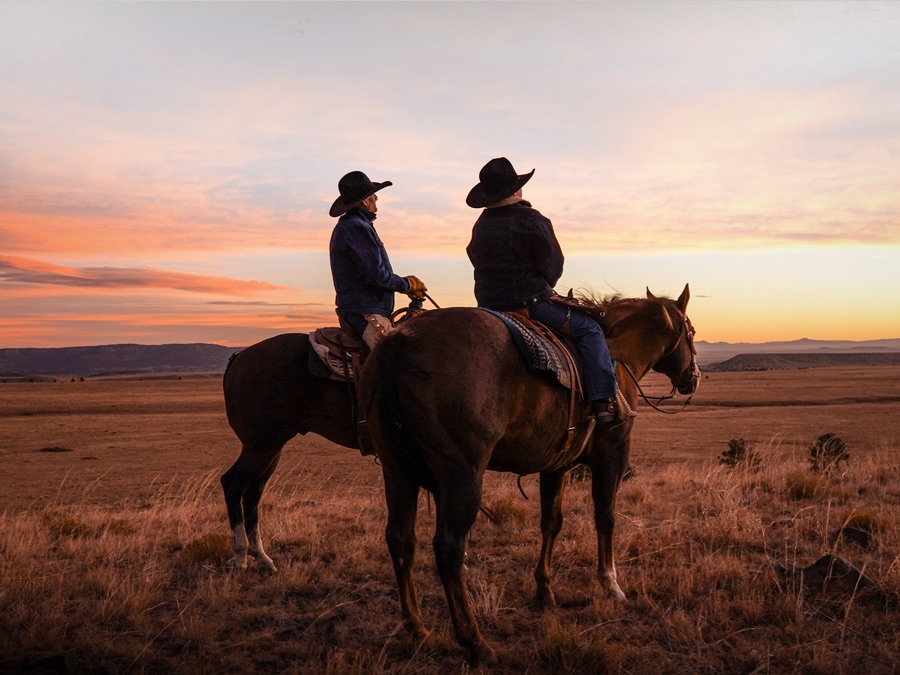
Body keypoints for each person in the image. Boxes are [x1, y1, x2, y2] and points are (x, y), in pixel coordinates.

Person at [465, 157, 634, 424]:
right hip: (531, 303)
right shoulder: (532, 219)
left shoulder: (481, 225)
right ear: (516, 190)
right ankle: (603, 401)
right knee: (590, 330)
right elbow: (553, 266)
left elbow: (474, 257)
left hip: (488, 306)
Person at [329, 170, 426, 349]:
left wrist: (405, 285)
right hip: (366, 312)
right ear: (365, 201)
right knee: (395, 357)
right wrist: (407, 285)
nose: (376, 198)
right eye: (373, 195)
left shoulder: (355, 226)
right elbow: (376, 275)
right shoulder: (356, 227)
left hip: (368, 309)